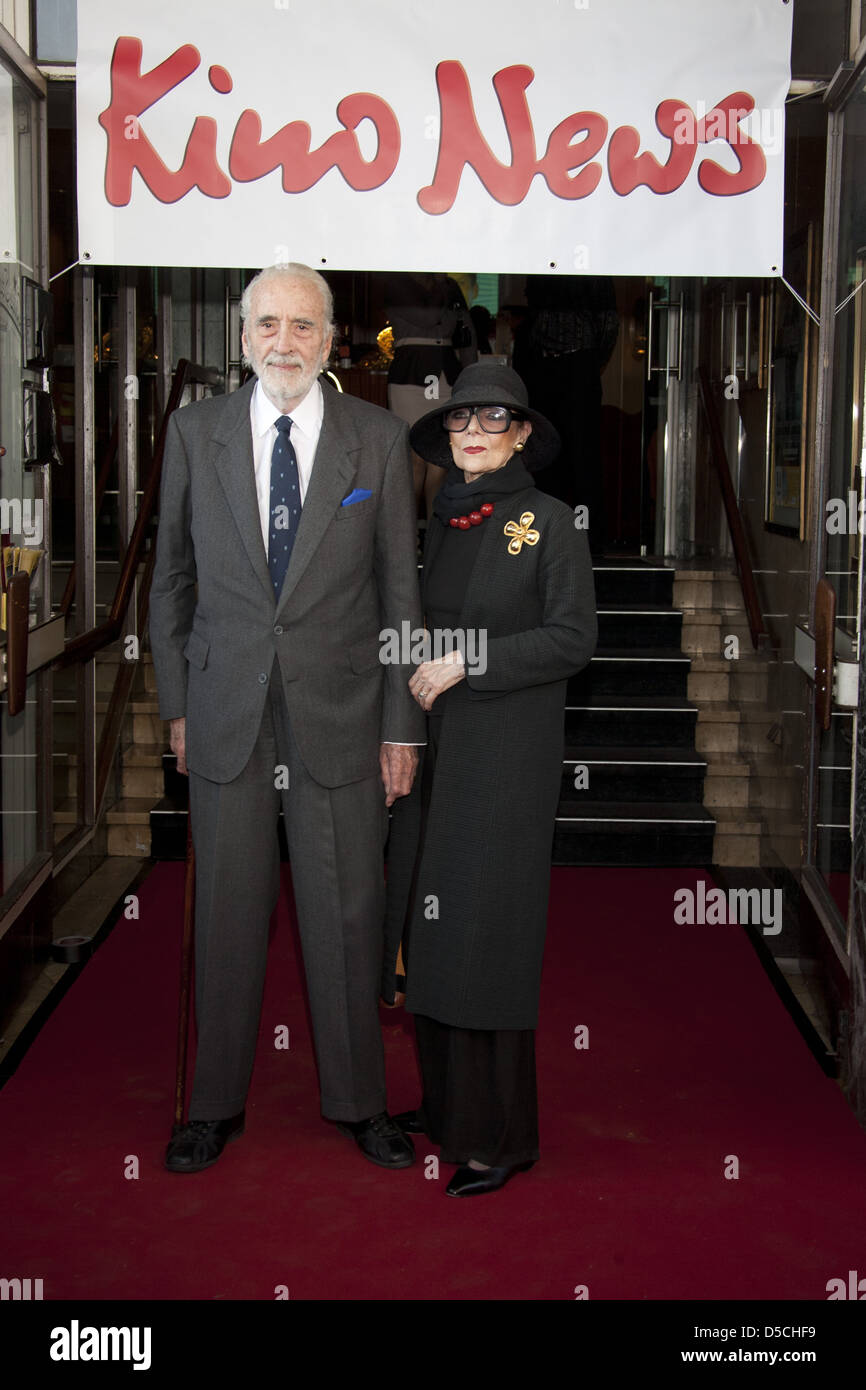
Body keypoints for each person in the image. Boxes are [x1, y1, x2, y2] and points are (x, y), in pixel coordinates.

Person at [149, 262, 425, 1174]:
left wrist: (402, 724)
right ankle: (212, 1104)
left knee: (349, 913)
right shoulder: (193, 434)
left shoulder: (377, 443)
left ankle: (359, 1101)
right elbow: (173, 586)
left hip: (342, 714)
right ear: (242, 337)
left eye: (302, 326)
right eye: (266, 324)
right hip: (225, 711)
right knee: (227, 913)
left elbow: (399, 597)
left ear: (329, 338)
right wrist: (178, 709)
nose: (283, 342)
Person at [381, 360, 598, 1196]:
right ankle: (444, 1108)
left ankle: (498, 1139)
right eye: (461, 421)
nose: (473, 432)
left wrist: (470, 660)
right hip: (437, 755)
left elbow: (573, 640)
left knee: (488, 939)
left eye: (491, 421)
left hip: (505, 762)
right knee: (430, 927)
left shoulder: (548, 523)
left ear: (517, 437)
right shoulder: (443, 520)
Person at [385, 272, 476, 515]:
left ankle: (435, 536)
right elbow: (428, 317)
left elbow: (466, 328)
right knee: (414, 458)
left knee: (440, 458)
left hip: (447, 375)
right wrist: (440, 286)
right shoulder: (397, 281)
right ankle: (407, 536)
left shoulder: (448, 284)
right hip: (411, 376)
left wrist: (472, 373)